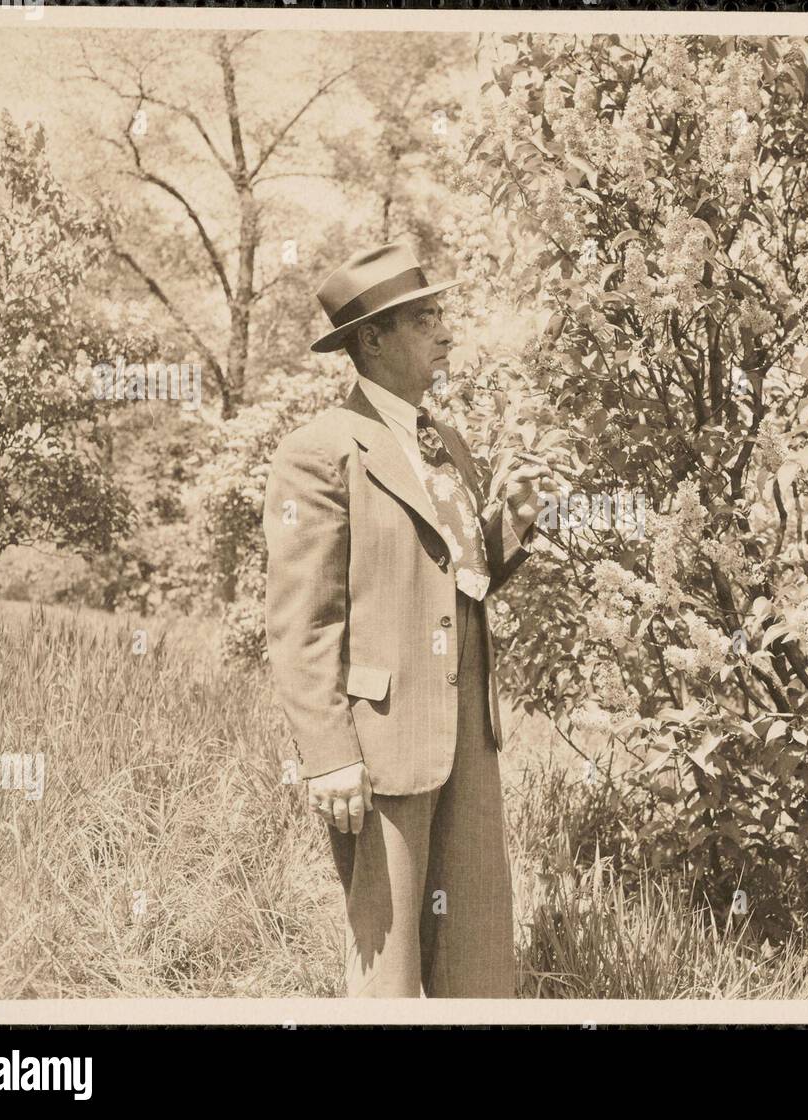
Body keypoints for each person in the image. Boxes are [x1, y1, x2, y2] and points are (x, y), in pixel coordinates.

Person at [264, 242, 554, 997]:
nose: (447, 333)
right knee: (385, 975)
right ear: (373, 340)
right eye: (427, 320)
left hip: (468, 734)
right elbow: (302, 622)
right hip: (381, 741)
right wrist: (328, 754)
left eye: (441, 316)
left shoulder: (447, 442)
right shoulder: (319, 451)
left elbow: (457, 577)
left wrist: (511, 527)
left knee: (479, 965)